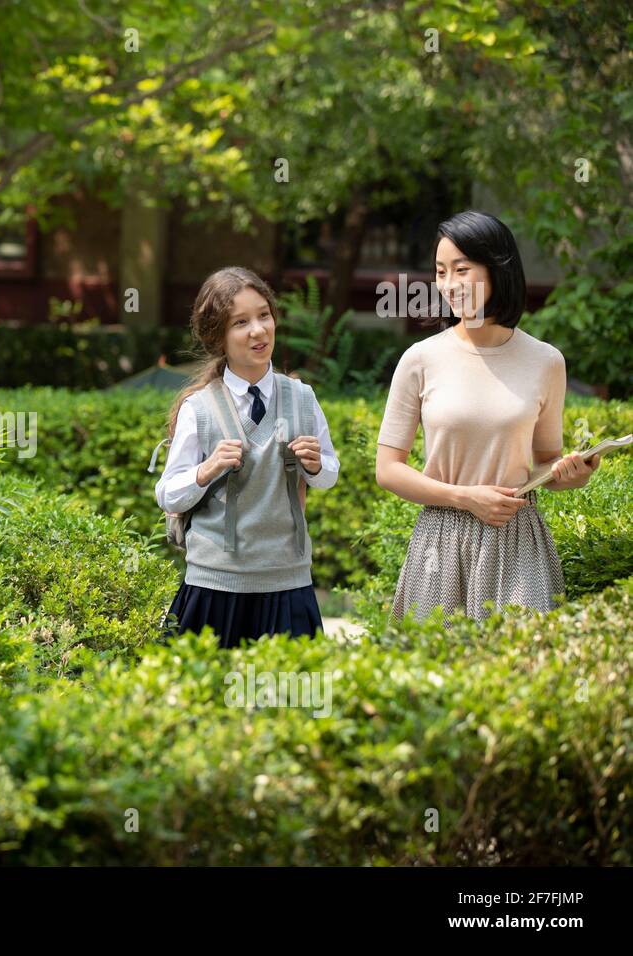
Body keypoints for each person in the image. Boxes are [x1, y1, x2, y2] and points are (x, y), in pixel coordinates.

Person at [376, 210, 600, 624]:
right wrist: (464, 497)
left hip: (517, 541)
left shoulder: (546, 361)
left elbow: (547, 458)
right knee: (437, 676)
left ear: (498, 269)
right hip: (440, 541)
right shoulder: (420, 359)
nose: (449, 284)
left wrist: (571, 473)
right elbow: (388, 470)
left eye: (462, 269)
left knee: (519, 676)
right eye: (441, 272)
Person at [155, 266, 340, 647]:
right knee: (201, 702)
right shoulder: (200, 408)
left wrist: (316, 465)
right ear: (218, 336)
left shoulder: (302, 398)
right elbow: (168, 494)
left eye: (264, 315)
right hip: (214, 582)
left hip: (287, 579)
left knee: (288, 702)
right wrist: (206, 470)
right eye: (241, 322)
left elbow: (330, 474)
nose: (258, 330)